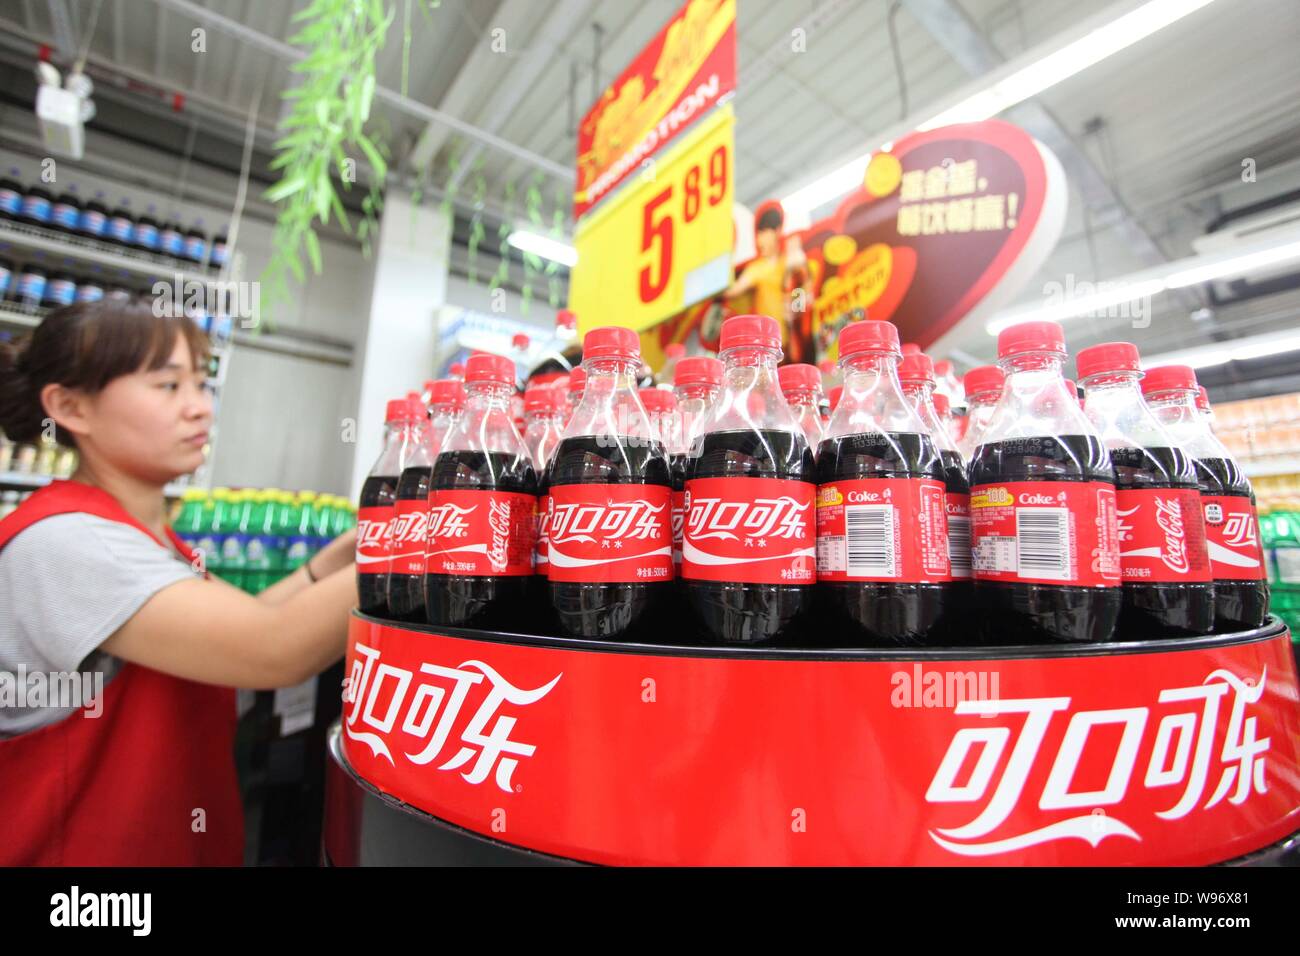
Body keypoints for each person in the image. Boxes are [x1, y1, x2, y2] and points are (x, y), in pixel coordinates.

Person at [0, 299, 357, 866]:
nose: (200, 410)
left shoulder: (146, 538)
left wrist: (326, 569)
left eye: (202, 383)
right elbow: (271, 648)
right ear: (69, 406)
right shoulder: (69, 541)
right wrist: (422, 540)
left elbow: (245, 625)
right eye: (168, 387)